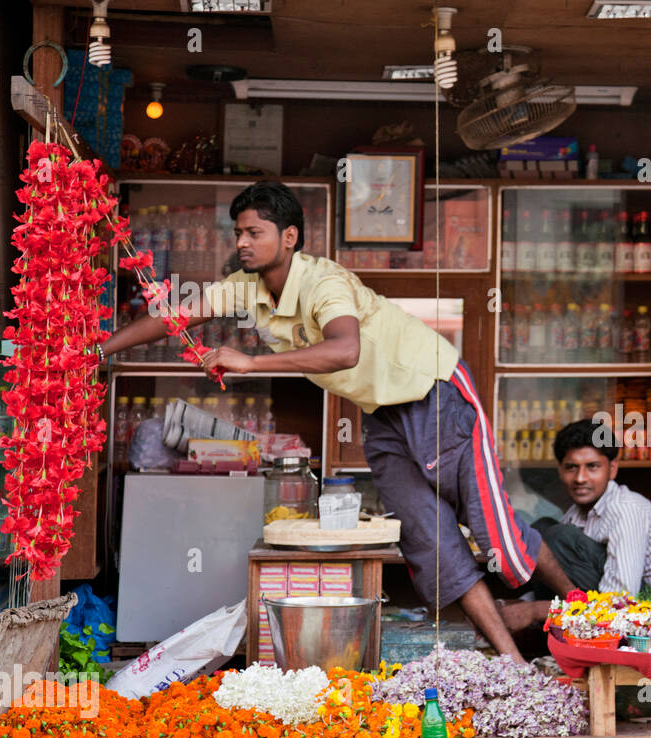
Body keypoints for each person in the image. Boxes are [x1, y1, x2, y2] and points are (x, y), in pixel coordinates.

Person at [102, 181, 575, 663]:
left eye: (254, 232)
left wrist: (252, 362)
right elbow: (174, 319)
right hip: (382, 415)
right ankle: (512, 663)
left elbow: (344, 349)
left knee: (492, 528)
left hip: (433, 388)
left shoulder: (322, 281)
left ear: (289, 237)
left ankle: (582, 611)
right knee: (432, 543)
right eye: (238, 233)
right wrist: (98, 351)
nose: (242, 242)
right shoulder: (245, 287)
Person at [499, 419, 651, 633]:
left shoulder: (626, 510)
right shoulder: (577, 514)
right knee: (541, 531)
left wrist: (536, 610)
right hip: (622, 611)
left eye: (592, 467)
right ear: (560, 471)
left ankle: (563, 622)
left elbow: (619, 603)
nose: (580, 478)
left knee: (556, 536)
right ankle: (565, 623)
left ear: (612, 469)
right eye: (571, 468)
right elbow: (555, 574)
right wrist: (515, 604)